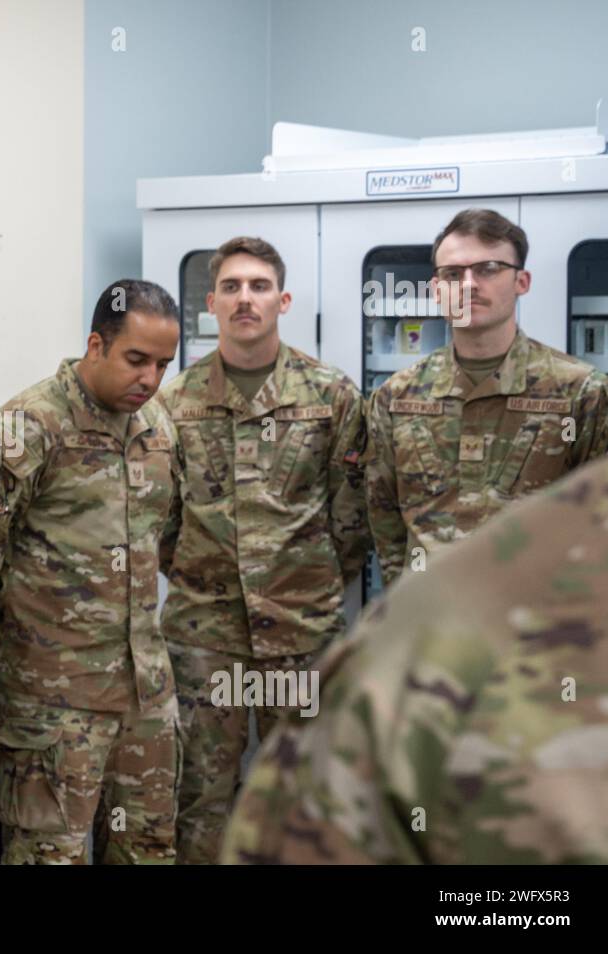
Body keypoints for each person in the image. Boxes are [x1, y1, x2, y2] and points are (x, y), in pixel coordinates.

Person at [222, 449, 608, 864]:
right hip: (215, 625)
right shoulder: (429, 647)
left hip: (309, 623)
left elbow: (348, 518)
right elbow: (378, 504)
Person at [157, 236, 370, 864]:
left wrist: (305, 579)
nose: (244, 298)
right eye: (230, 287)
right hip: (204, 638)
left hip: (301, 634)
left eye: (257, 286)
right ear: (212, 304)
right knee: (200, 796)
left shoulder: (330, 396)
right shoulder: (174, 402)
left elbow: (352, 515)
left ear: (283, 299)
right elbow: (163, 520)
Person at [0, 279, 182, 864]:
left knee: (148, 850)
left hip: (144, 696)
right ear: (96, 345)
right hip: (51, 702)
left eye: (163, 365)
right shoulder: (31, 425)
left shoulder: (158, 429)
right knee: (50, 856)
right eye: (136, 360)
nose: (149, 378)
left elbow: (164, 539)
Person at [366, 207, 608, 587]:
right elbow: (383, 516)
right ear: (436, 290)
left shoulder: (582, 394)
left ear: (522, 282)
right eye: (453, 274)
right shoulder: (396, 397)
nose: (468, 284)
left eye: (488, 269)